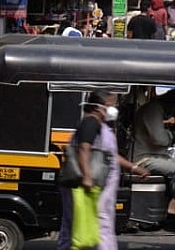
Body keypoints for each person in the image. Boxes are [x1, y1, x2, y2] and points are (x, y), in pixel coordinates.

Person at [57, 91, 148, 250]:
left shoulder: (100, 126)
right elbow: (84, 148)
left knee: (91, 224)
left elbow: (110, 156)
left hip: (99, 185)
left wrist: (133, 168)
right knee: (93, 224)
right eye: (111, 105)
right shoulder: (90, 123)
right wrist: (86, 176)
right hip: (89, 184)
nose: (113, 109)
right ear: (99, 107)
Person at [133, 88, 175, 214]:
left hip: (156, 155)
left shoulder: (156, 110)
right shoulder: (153, 110)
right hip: (145, 158)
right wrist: (171, 135)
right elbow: (160, 140)